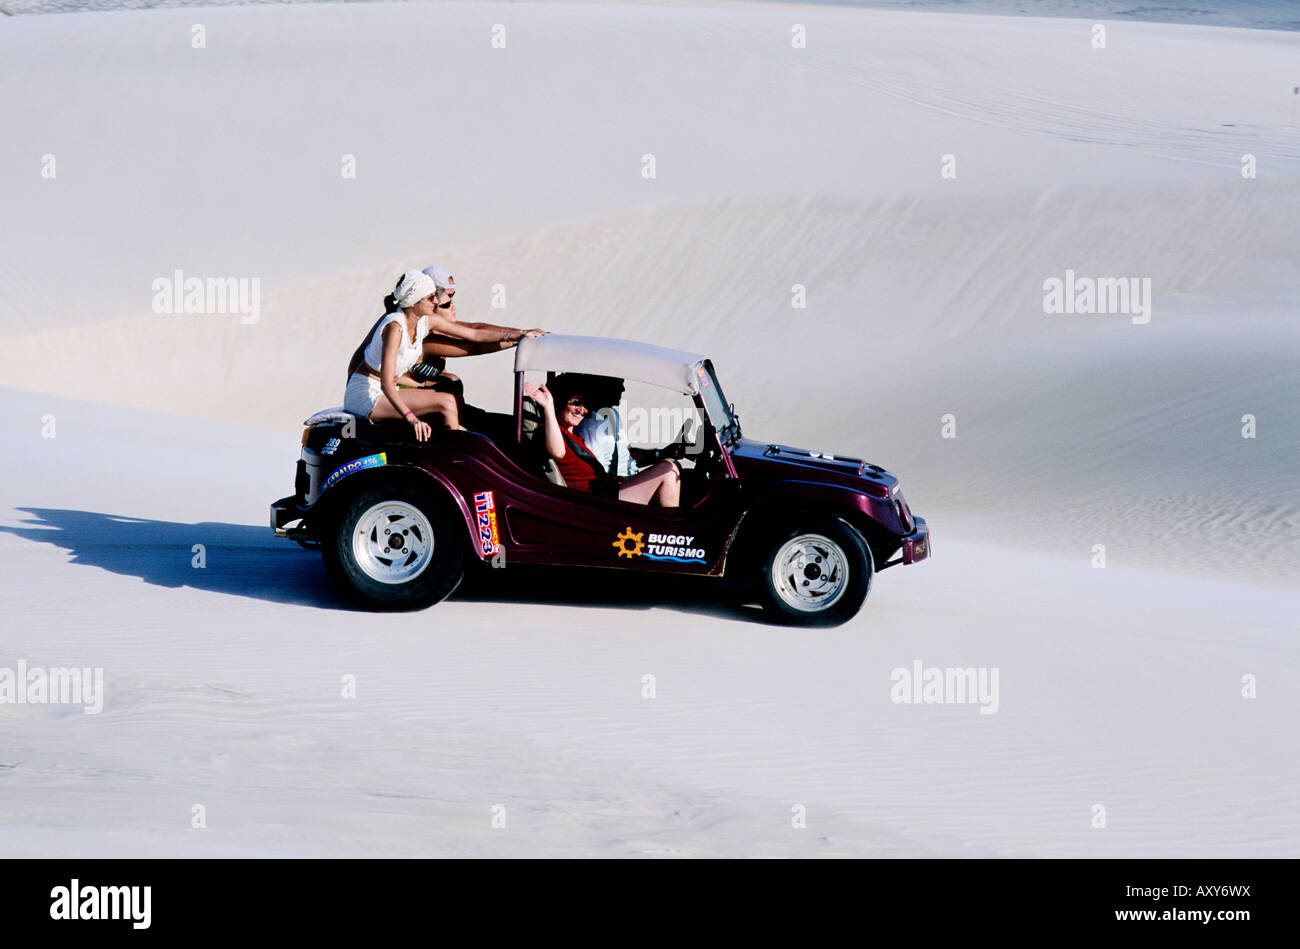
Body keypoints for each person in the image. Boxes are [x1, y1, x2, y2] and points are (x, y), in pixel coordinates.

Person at [343, 270, 464, 441]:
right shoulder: (395, 327)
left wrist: (511, 337)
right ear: (415, 301)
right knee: (447, 401)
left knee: (452, 396)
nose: (436, 302)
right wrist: (412, 419)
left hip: (387, 390)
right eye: (431, 298)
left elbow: (473, 335)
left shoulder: (418, 326)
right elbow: (386, 382)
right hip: (368, 394)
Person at [523, 378, 680, 507]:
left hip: (606, 490)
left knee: (672, 467)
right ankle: (672, 534)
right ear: (560, 402)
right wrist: (549, 408)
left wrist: (612, 479)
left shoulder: (576, 437)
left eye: (584, 405)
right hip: (596, 502)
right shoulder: (551, 432)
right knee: (668, 468)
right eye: (575, 402)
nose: (581, 410)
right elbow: (557, 452)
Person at [575, 375, 639, 478]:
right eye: (618, 384)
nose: (623, 389)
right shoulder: (588, 426)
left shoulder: (613, 413)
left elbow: (627, 451)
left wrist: (660, 454)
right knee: (668, 471)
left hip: (632, 475)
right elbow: (598, 474)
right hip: (615, 484)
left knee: (668, 465)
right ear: (603, 386)